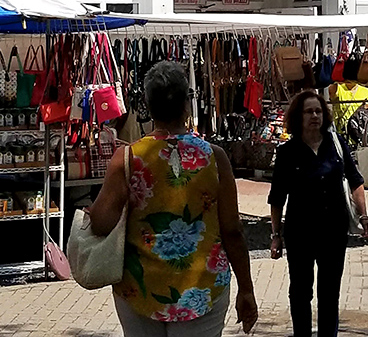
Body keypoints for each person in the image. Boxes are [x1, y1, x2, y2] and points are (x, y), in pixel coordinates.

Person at [89, 61, 258, 336]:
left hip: (140, 288)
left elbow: (101, 223)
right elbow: (232, 230)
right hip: (202, 288)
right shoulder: (215, 158)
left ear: (148, 105)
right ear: (186, 105)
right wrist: (246, 288)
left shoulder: (127, 159)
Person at [268, 90, 368, 337]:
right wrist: (275, 235)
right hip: (300, 233)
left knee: (329, 292)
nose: (314, 116)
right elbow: (277, 197)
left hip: (333, 231)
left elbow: (356, 180)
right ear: (299, 116)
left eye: (318, 111)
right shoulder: (287, 152)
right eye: (308, 111)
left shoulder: (336, 144)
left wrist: (364, 215)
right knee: (300, 292)